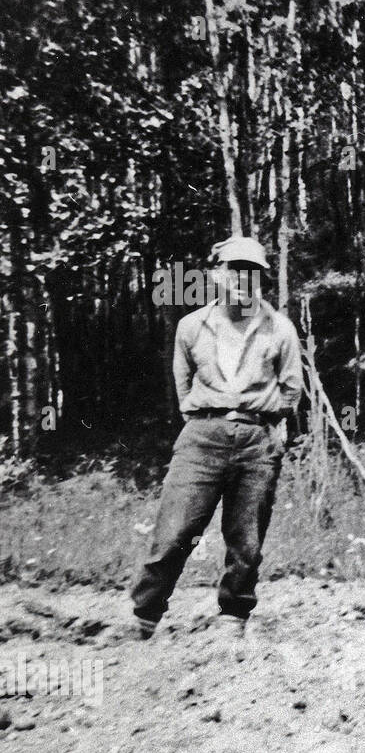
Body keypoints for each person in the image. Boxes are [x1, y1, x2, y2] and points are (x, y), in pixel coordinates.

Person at [126, 236, 303, 639]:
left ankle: (233, 616)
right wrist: (206, 417)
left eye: (252, 271)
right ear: (217, 274)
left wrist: (266, 422)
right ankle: (144, 616)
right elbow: (182, 384)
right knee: (174, 531)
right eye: (235, 269)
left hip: (257, 437)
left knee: (247, 538)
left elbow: (292, 387)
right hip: (202, 435)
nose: (243, 278)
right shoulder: (192, 326)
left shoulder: (280, 328)